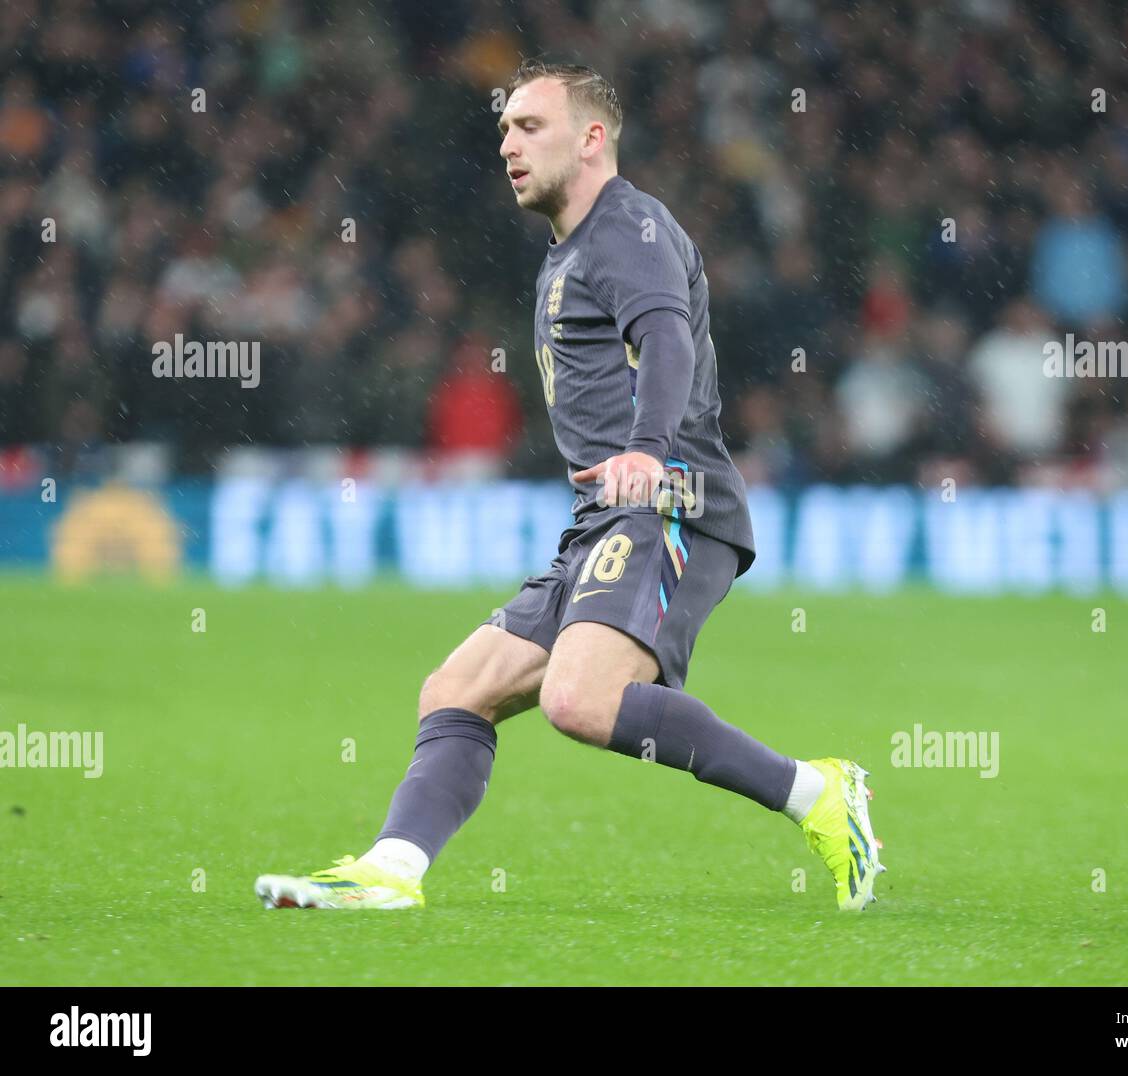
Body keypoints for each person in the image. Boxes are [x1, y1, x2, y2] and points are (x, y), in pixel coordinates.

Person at [254, 60, 885, 913]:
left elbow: (668, 342)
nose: (508, 144)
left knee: (580, 700)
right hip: (605, 519)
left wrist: (650, 451)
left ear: (592, 139)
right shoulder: (570, 251)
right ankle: (391, 873)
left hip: (669, 506)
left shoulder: (627, 228)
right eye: (505, 129)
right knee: (455, 690)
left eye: (530, 126)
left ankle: (818, 794)